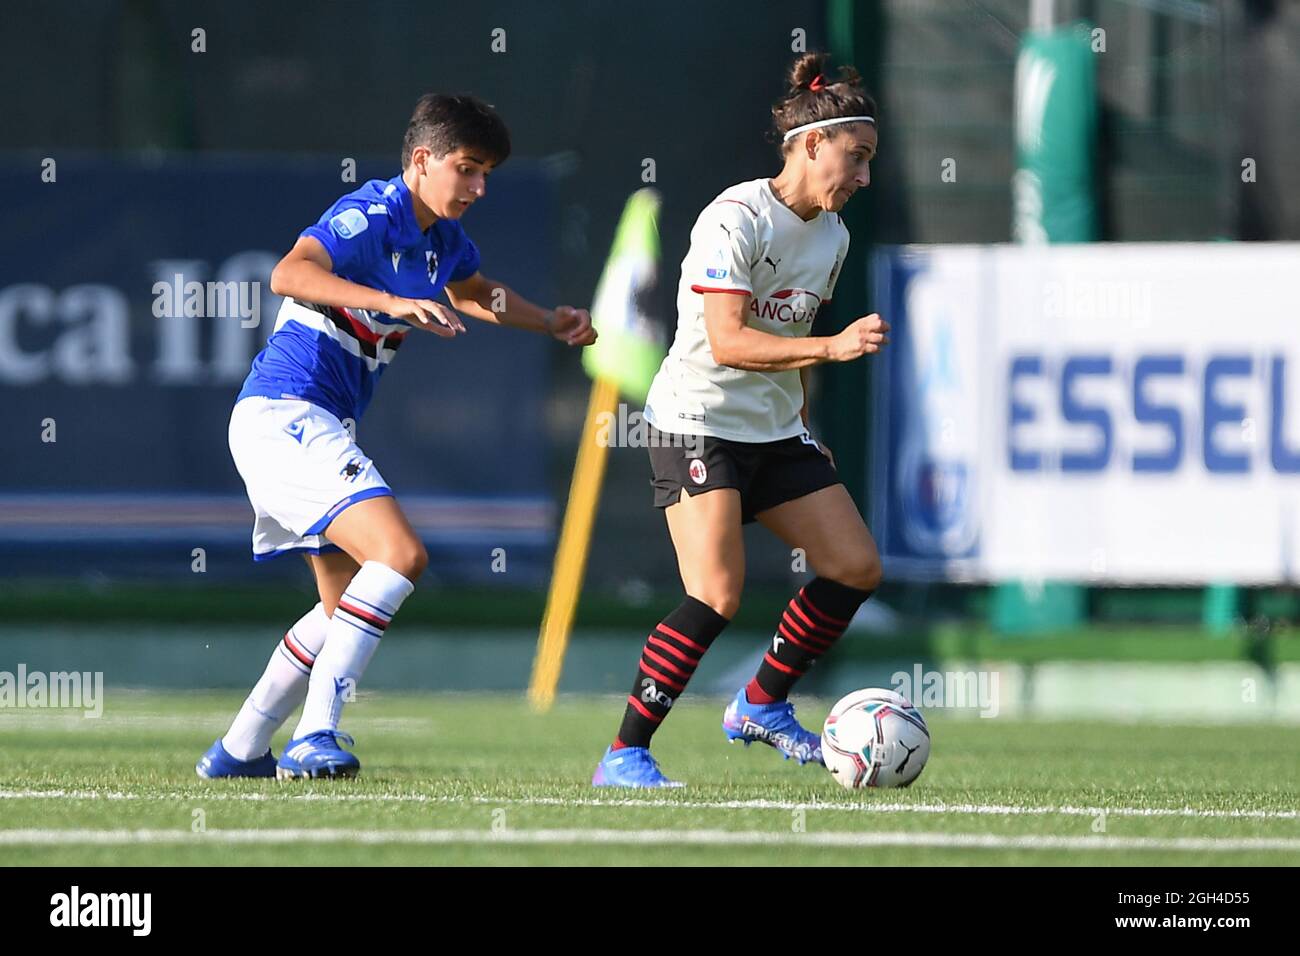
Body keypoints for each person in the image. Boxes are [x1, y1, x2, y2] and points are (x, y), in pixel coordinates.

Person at [197, 93, 595, 780]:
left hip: (308, 423)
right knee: (401, 554)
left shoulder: (441, 238)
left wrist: (547, 320)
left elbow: (474, 290)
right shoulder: (371, 213)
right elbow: (289, 273)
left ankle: (238, 749)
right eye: (466, 169)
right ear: (421, 160)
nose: (477, 187)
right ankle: (315, 734)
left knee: (338, 605)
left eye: (487, 174)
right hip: (285, 414)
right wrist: (391, 302)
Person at [592, 53, 889, 788]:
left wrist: (803, 422)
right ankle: (624, 753)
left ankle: (760, 702)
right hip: (696, 422)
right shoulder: (735, 217)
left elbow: (786, 349)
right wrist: (833, 345)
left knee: (855, 566)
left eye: (870, 162)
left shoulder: (834, 237)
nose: (863, 177)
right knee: (716, 594)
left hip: (775, 430)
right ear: (813, 143)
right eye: (856, 158)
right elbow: (728, 341)